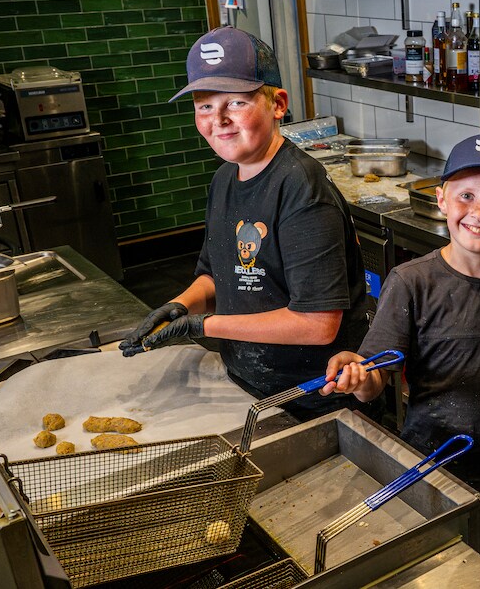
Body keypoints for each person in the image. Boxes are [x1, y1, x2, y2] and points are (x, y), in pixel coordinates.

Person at [319, 132, 480, 587]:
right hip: (434, 467)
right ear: (441, 200)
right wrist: (358, 378)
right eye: (467, 196)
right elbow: (376, 377)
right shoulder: (412, 282)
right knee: (443, 573)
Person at [119, 26, 373, 422]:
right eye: (204, 106)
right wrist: (179, 306)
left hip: (312, 399)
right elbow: (215, 274)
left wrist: (203, 326)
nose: (218, 120)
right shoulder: (225, 179)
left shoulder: (301, 188)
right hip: (246, 385)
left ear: (277, 104)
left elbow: (317, 324)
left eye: (235, 102)